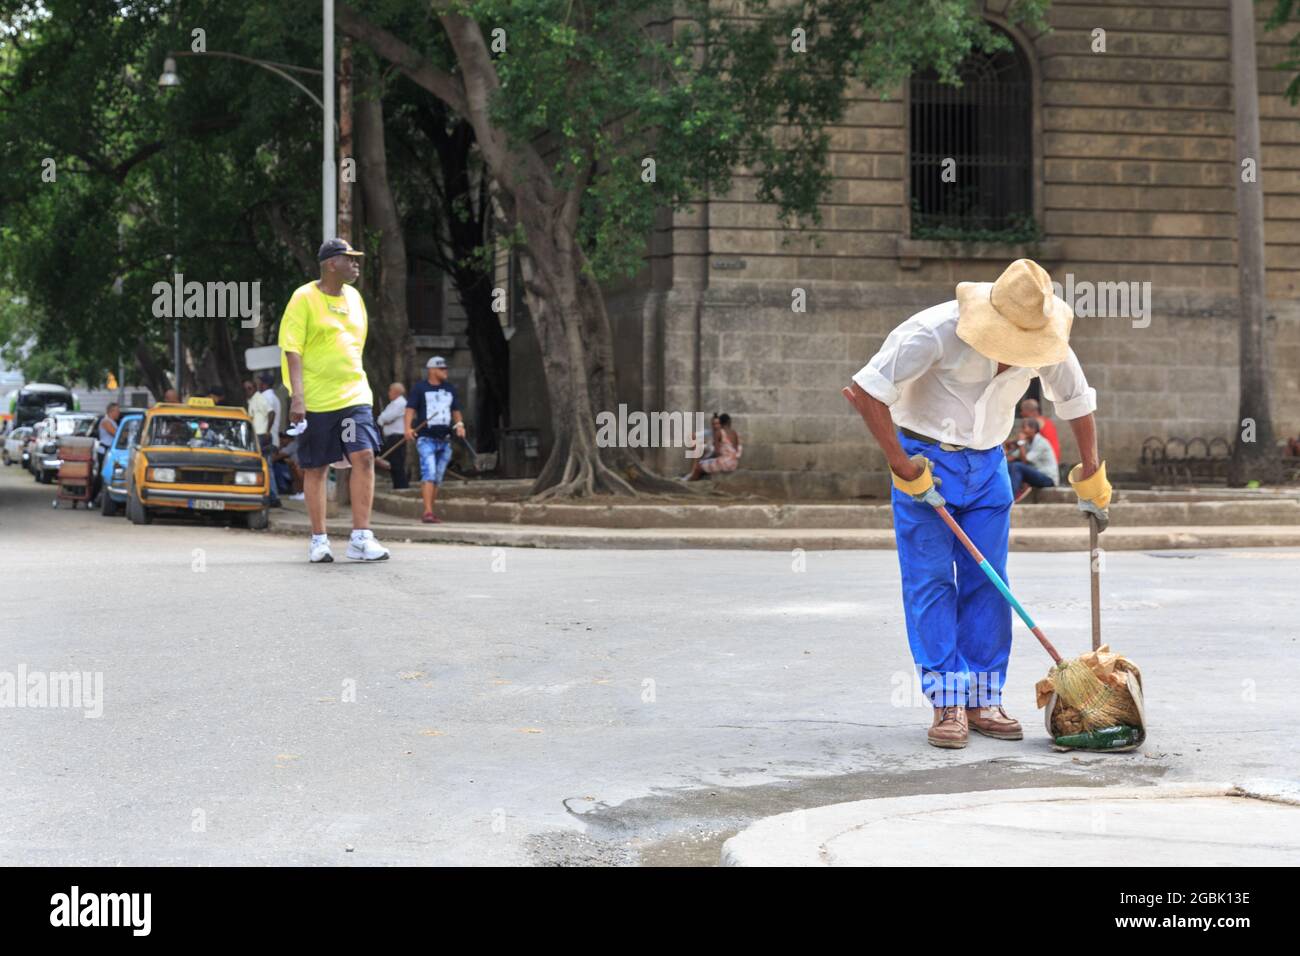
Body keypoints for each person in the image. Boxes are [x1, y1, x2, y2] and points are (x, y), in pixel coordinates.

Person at [842, 258, 1111, 750]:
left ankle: (983, 698)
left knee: (990, 580)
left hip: (990, 465)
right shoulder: (935, 330)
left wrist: (1091, 472)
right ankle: (947, 699)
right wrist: (903, 465)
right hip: (924, 458)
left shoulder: (1044, 336)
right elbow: (864, 392)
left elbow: (1075, 399)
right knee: (931, 581)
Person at [278, 236, 389, 562]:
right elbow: (292, 350)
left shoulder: (355, 298)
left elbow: (355, 344)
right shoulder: (303, 298)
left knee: (364, 455)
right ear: (331, 263)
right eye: (349, 258)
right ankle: (318, 539)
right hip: (317, 401)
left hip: (354, 396)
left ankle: (360, 538)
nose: (355, 264)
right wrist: (298, 398)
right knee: (316, 468)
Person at [405, 356, 465, 524]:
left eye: (446, 369)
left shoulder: (450, 389)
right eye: (441, 369)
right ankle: (428, 511)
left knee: (437, 477)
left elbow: (456, 410)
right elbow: (410, 409)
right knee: (429, 473)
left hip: (445, 439)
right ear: (431, 370)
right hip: (426, 438)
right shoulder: (420, 388)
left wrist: (460, 424)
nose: (445, 371)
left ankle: (430, 510)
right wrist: (407, 428)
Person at [246, 376, 280, 507]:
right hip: (260, 435)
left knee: (266, 466)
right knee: (266, 466)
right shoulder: (259, 398)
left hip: (262, 435)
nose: (247, 390)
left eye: (250, 388)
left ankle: (272, 496)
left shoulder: (262, 398)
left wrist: (267, 431)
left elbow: (271, 413)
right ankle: (270, 495)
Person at [1007, 417, 1059, 502]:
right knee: (1008, 466)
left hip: (1048, 479)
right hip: (1036, 474)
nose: (1022, 431)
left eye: (1024, 427)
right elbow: (1011, 458)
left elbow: (1025, 460)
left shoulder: (1041, 442)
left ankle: (1010, 499)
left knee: (1017, 466)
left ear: (1033, 429)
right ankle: (1003, 497)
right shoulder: (1028, 442)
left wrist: (1021, 443)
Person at [684, 413, 742, 481]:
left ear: (720, 423)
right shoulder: (735, 433)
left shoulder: (719, 432)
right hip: (734, 463)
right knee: (703, 459)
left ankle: (690, 482)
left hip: (724, 463)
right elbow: (738, 451)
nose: (715, 426)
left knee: (698, 467)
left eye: (717, 423)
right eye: (714, 424)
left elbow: (717, 452)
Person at [376, 382, 409, 490]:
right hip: (391, 438)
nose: (389, 393)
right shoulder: (392, 404)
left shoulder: (401, 403)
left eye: (390, 390)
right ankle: (397, 486)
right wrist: (383, 420)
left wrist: (384, 420)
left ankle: (402, 487)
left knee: (397, 464)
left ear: (396, 392)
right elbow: (380, 419)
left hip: (397, 437)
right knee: (392, 463)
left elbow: (386, 418)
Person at [93, 403, 120, 504]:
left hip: (110, 450)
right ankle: (93, 496)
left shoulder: (113, 422)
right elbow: (115, 433)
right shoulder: (106, 421)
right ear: (111, 411)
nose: (118, 413)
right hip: (104, 451)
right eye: (117, 411)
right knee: (101, 474)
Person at [1018, 397, 1060, 462]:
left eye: (1022, 410)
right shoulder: (1046, 420)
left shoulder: (1035, 422)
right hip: (1052, 457)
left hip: (1046, 459)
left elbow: (1022, 438)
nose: (1021, 413)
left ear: (1028, 410)